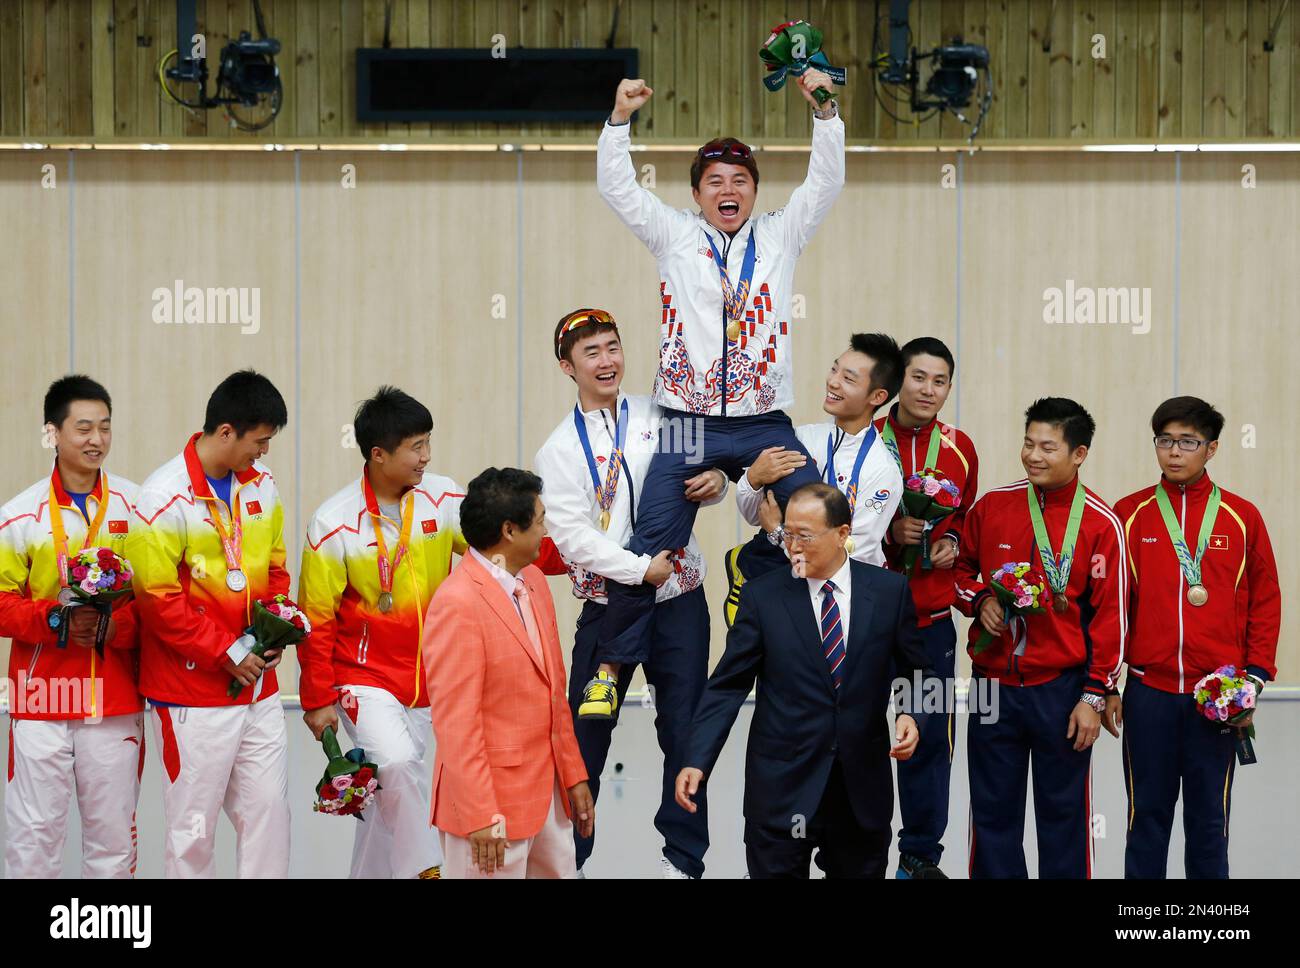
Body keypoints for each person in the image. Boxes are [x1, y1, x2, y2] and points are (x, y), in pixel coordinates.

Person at [582, 69, 845, 714]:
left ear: (755, 192)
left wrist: (825, 113)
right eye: (714, 182)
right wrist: (618, 122)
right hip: (684, 419)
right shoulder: (672, 235)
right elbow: (616, 188)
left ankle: (822, 657)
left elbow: (826, 181)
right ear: (697, 195)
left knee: (818, 514)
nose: (728, 190)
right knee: (650, 539)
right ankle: (612, 668)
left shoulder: (782, 235)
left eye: (741, 181)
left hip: (763, 421)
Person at [535, 308, 727, 878]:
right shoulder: (557, 451)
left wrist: (717, 483)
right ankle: (571, 860)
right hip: (608, 611)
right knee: (584, 739)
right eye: (591, 352)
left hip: (678, 607)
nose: (607, 361)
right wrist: (638, 568)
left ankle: (682, 862)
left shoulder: (663, 413)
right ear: (566, 366)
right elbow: (572, 540)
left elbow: (707, 476)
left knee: (686, 731)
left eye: (613, 346)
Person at [676, 483, 928, 878]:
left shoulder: (888, 591)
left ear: (843, 534)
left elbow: (918, 669)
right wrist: (696, 759)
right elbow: (727, 684)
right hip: (781, 790)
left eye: (804, 536)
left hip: (859, 794)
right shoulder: (762, 596)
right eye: (788, 533)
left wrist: (911, 714)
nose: (792, 545)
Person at [128, 369, 292, 878]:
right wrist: (227, 650)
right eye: (259, 442)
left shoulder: (261, 485)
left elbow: (276, 569)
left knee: (268, 818)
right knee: (192, 835)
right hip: (190, 696)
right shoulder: (162, 497)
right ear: (226, 432)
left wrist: (277, 625)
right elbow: (157, 601)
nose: (263, 453)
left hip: (258, 690)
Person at [298, 386, 467, 879]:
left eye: (427, 442)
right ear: (378, 454)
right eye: (416, 446)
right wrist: (316, 698)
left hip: (429, 680)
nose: (426, 456)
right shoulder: (333, 522)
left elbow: (491, 543)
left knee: (386, 800)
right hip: (364, 678)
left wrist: (578, 558)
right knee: (394, 765)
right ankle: (428, 872)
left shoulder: (443, 496)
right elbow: (317, 619)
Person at [954, 397, 1126, 879]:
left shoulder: (1100, 523)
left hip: (1062, 689)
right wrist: (980, 599)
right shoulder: (992, 506)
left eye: (1048, 447)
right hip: (991, 685)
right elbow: (960, 571)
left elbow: (1110, 619)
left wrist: (1094, 695)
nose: (1033, 455)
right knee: (991, 815)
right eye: (1028, 443)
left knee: (1064, 817)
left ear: (1079, 454)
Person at [1112, 396, 1279, 879]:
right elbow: (1112, 607)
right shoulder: (1129, 514)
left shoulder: (1242, 517)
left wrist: (1255, 679)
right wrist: (1105, 683)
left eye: (1188, 442)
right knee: (1146, 820)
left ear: (1212, 449)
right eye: (1165, 440)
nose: (1175, 452)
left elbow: (1266, 600)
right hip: (1149, 693)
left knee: (1209, 824)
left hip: (1217, 697)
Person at [0, 375, 143, 878]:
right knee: (33, 835)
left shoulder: (138, 507)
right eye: (83, 428)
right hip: (42, 697)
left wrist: (115, 629)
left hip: (114, 696)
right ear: (52, 434)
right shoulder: (19, 516)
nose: (96, 440)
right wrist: (55, 618)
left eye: (105, 427)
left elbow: (160, 598)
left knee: (111, 838)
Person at [422, 467, 593, 879]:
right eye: (539, 521)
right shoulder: (456, 603)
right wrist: (480, 814)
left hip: (550, 797)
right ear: (509, 531)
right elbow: (456, 724)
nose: (545, 530)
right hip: (489, 810)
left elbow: (555, 691)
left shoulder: (533, 581)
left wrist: (574, 776)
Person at [874, 336, 980, 879]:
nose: (928, 390)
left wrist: (953, 545)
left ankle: (918, 858)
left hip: (930, 624)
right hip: (864, 623)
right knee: (864, 738)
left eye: (940, 381)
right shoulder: (864, 438)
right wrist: (890, 531)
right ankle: (864, 852)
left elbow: (966, 522)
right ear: (897, 381)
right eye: (919, 378)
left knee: (929, 740)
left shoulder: (960, 448)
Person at [732, 333, 904, 617]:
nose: (833, 381)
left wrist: (778, 534)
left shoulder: (881, 470)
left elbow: (851, 557)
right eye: (834, 369)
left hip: (838, 606)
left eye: (848, 379)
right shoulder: (802, 438)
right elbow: (755, 515)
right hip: (781, 590)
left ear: (877, 396)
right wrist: (753, 480)